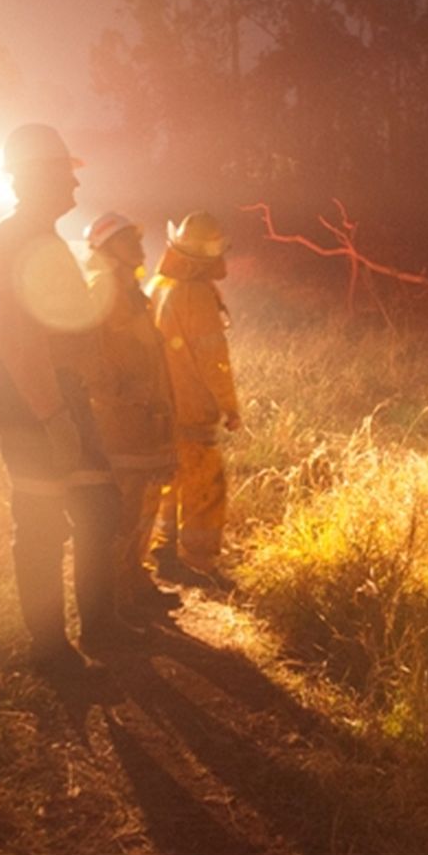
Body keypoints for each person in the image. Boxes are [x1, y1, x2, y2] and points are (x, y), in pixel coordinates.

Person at [0, 123, 146, 678]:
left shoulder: (39, 239)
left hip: (56, 395)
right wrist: (52, 416)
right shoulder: (15, 241)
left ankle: (99, 626)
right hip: (33, 400)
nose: (74, 190)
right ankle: (50, 650)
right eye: (65, 177)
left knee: (97, 509)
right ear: (37, 177)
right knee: (44, 522)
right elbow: (21, 341)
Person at [82, 211, 181, 622]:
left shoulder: (131, 291)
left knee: (142, 508)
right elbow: (87, 353)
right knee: (122, 514)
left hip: (144, 422)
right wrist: (118, 394)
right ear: (108, 248)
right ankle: (115, 601)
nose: (140, 245)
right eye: (129, 239)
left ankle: (133, 582)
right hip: (120, 424)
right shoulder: (101, 289)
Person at [147, 211, 241, 587]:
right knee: (205, 488)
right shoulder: (197, 295)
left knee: (170, 480)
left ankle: (163, 551)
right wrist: (229, 407)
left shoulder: (160, 285)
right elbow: (212, 359)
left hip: (163, 404)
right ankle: (199, 563)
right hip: (193, 407)